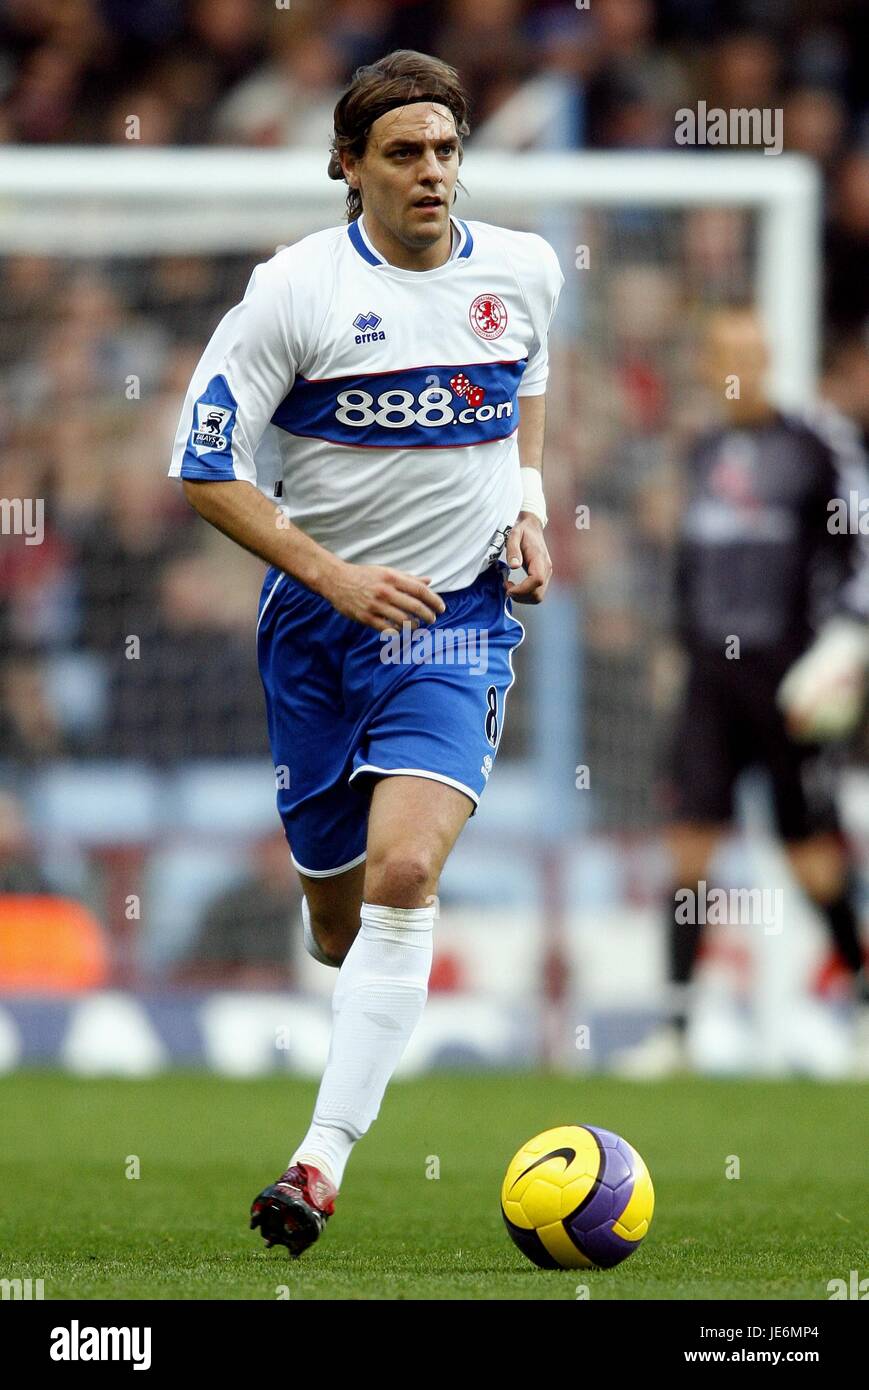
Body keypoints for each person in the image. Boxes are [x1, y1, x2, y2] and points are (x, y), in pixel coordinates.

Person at [168, 49, 564, 1255]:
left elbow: (525, 379)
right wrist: (331, 574)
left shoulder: (524, 270)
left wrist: (528, 503)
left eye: (445, 148)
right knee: (339, 926)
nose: (432, 171)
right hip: (317, 631)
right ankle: (344, 959)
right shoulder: (292, 294)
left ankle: (315, 1165)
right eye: (404, 152)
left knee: (404, 877)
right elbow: (202, 470)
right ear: (348, 167)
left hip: (455, 621)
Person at [613, 306, 869, 1078]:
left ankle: (859, 1007)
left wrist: (844, 644)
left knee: (809, 855)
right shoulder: (699, 452)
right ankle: (677, 1029)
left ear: (769, 357)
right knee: (686, 847)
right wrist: (674, 649)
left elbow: (857, 547)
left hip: (789, 680)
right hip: (708, 681)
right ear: (706, 364)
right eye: (723, 353)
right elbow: (691, 570)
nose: (737, 367)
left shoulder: (814, 446)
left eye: (749, 353)